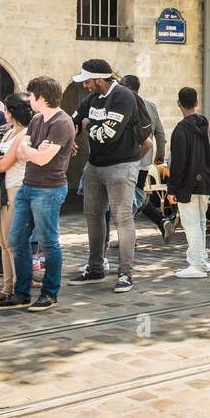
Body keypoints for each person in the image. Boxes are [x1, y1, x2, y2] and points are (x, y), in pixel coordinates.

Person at [0, 77, 75, 312]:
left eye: (30, 95)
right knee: (16, 240)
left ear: (41, 97)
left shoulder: (61, 122)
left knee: (49, 243)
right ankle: (22, 293)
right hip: (28, 187)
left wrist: (30, 151)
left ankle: (50, 293)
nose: (28, 100)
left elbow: (40, 158)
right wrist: (30, 150)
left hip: (48, 190)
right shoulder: (37, 119)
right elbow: (21, 150)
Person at [72, 60, 145, 294]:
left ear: (100, 80)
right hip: (95, 165)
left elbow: (107, 135)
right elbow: (74, 119)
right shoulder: (92, 99)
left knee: (122, 218)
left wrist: (86, 123)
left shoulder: (123, 97)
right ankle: (95, 268)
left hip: (122, 166)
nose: (85, 85)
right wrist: (72, 134)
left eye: (87, 81)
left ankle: (125, 273)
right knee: (92, 215)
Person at [0, 93, 30, 304]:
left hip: (14, 188)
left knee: (12, 241)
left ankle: (18, 287)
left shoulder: (25, 134)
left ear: (12, 112)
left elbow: (2, 164)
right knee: (2, 241)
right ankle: (7, 286)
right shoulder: (9, 132)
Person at [166, 87, 210, 280]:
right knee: (200, 222)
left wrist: (172, 188)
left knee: (192, 224)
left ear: (179, 103)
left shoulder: (180, 130)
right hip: (205, 180)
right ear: (196, 103)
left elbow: (178, 162)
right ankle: (201, 260)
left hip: (187, 183)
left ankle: (196, 263)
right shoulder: (208, 127)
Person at [119, 75, 174, 245]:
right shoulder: (151, 105)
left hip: (129, 158)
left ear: (127, 87)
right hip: (145, 160)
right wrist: (159, 155)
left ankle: (153, 223)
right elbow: (160, 133)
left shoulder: (126, 104)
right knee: (135, 194)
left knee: (128, 197)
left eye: (121, 85)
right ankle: (159, 222)